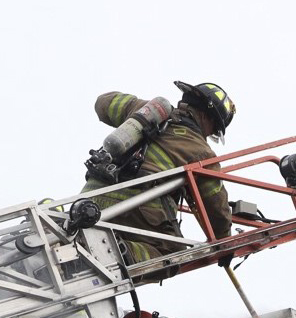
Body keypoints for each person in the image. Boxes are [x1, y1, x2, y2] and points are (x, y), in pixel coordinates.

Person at [80, 82, 236, 264]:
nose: (209, 135)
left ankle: (84, 245)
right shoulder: (201, 151)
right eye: (214, 129)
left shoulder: (146, 112)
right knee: (173, 254)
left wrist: (139, 110)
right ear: (206, 116)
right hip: (137, 206)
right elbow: (216, 205)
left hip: (92, 196)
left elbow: (103, 103)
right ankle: (120, 253)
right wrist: (225, 242)